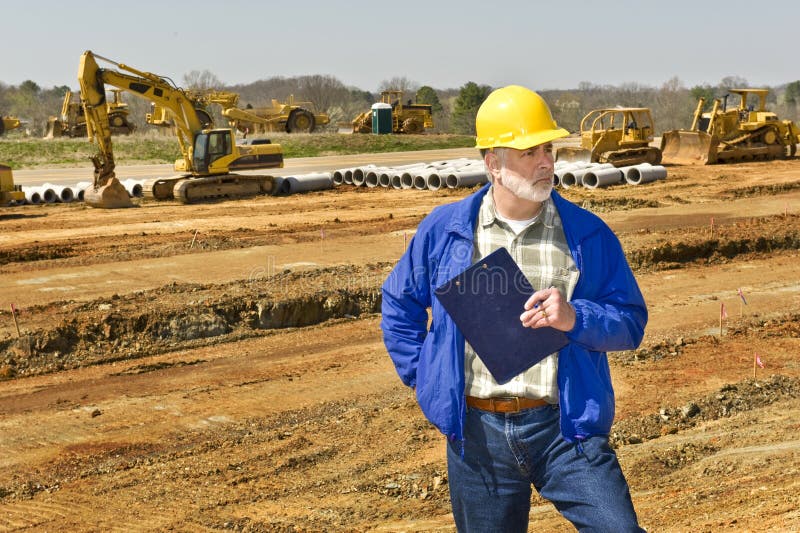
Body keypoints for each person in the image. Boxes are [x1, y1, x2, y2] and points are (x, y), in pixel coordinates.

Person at [381, 85, 647, 532]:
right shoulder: (444, 232)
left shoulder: (587, 234)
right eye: (529, 152)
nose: (546, 161)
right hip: (477, 437)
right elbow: (399, 305)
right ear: (493, 164)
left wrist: (576, 318)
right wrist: (425, 374)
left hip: (565, 431)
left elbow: (630, 321)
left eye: (548, 148)